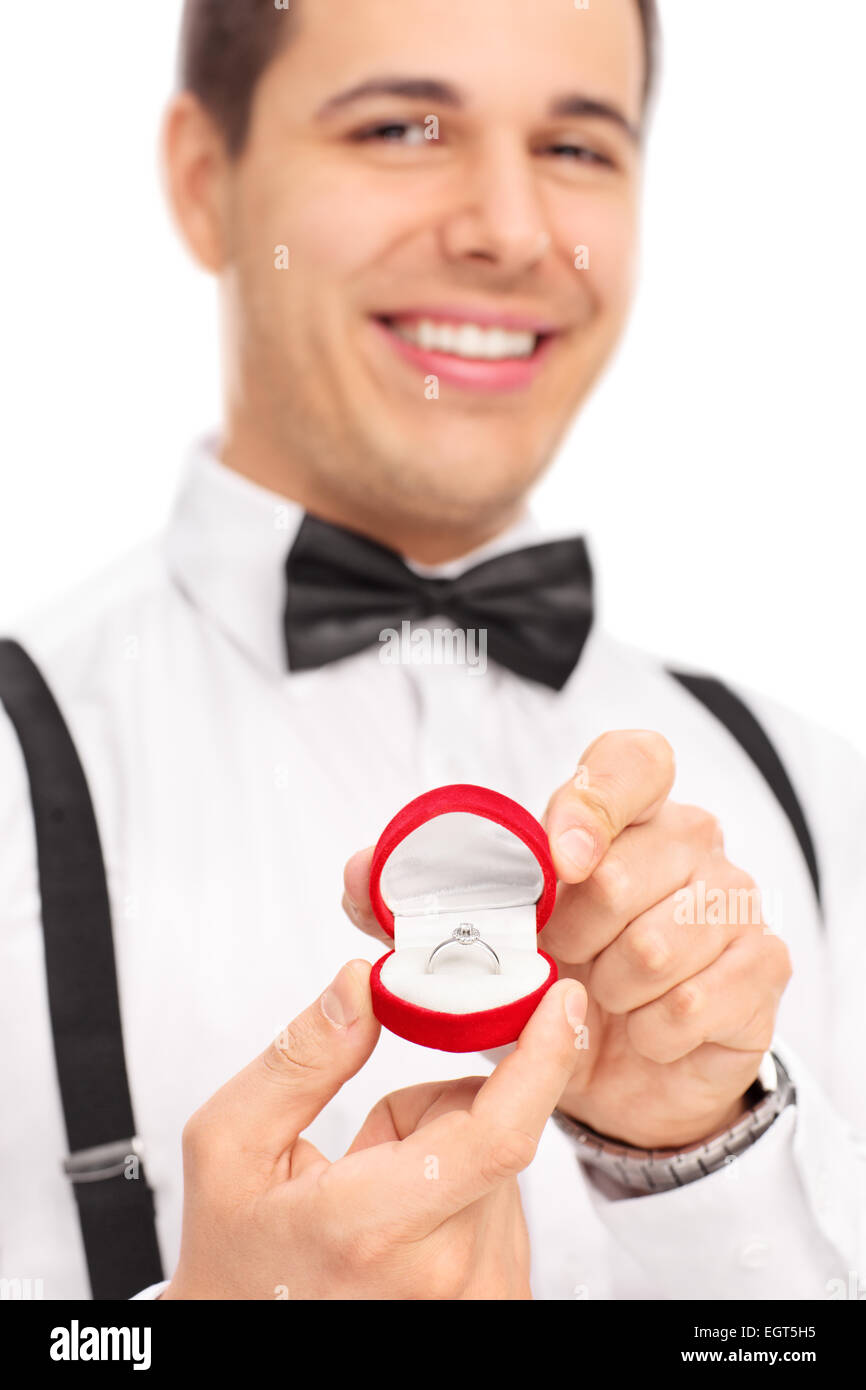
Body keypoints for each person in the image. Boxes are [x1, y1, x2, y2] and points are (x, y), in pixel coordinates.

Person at [1, 0, 863, 1302]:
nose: (510, 231)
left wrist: (703, 1173)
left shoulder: (815, 799)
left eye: (576, 148)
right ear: (202, 182)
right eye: (403, 126)